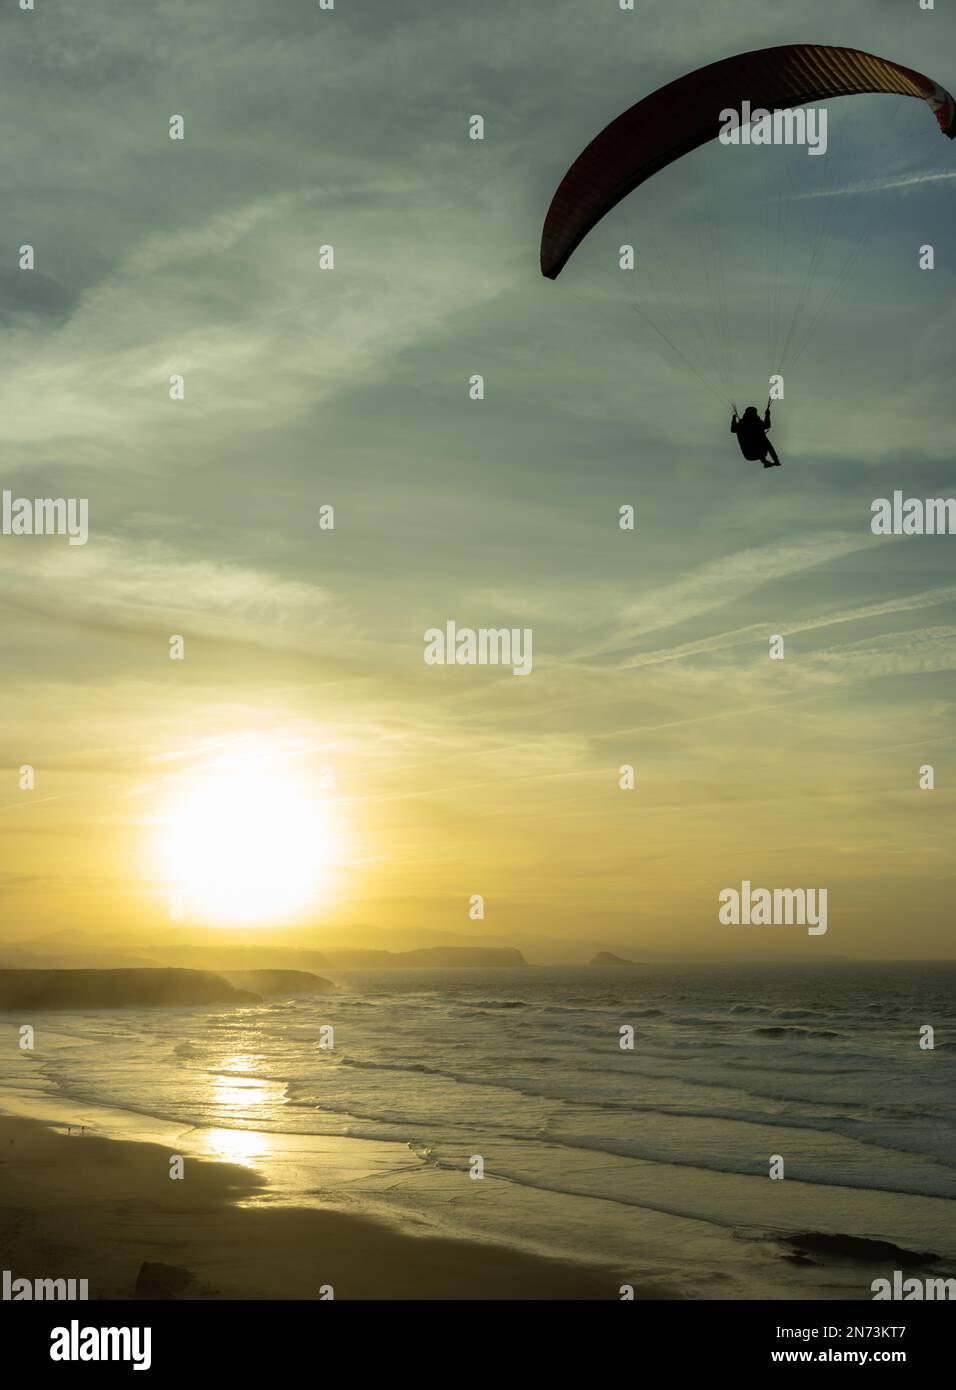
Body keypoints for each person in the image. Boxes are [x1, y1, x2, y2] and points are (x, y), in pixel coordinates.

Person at [731, 403, 780, 468]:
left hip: (749, 454)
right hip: (754, 452)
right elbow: (767, 425)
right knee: (764, 440)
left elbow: (733, 429)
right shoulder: (756, 423)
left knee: (761, 437)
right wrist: (767, 415)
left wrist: (734, 419)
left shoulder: (741, 423)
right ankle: (774, 460)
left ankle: (765, 461)